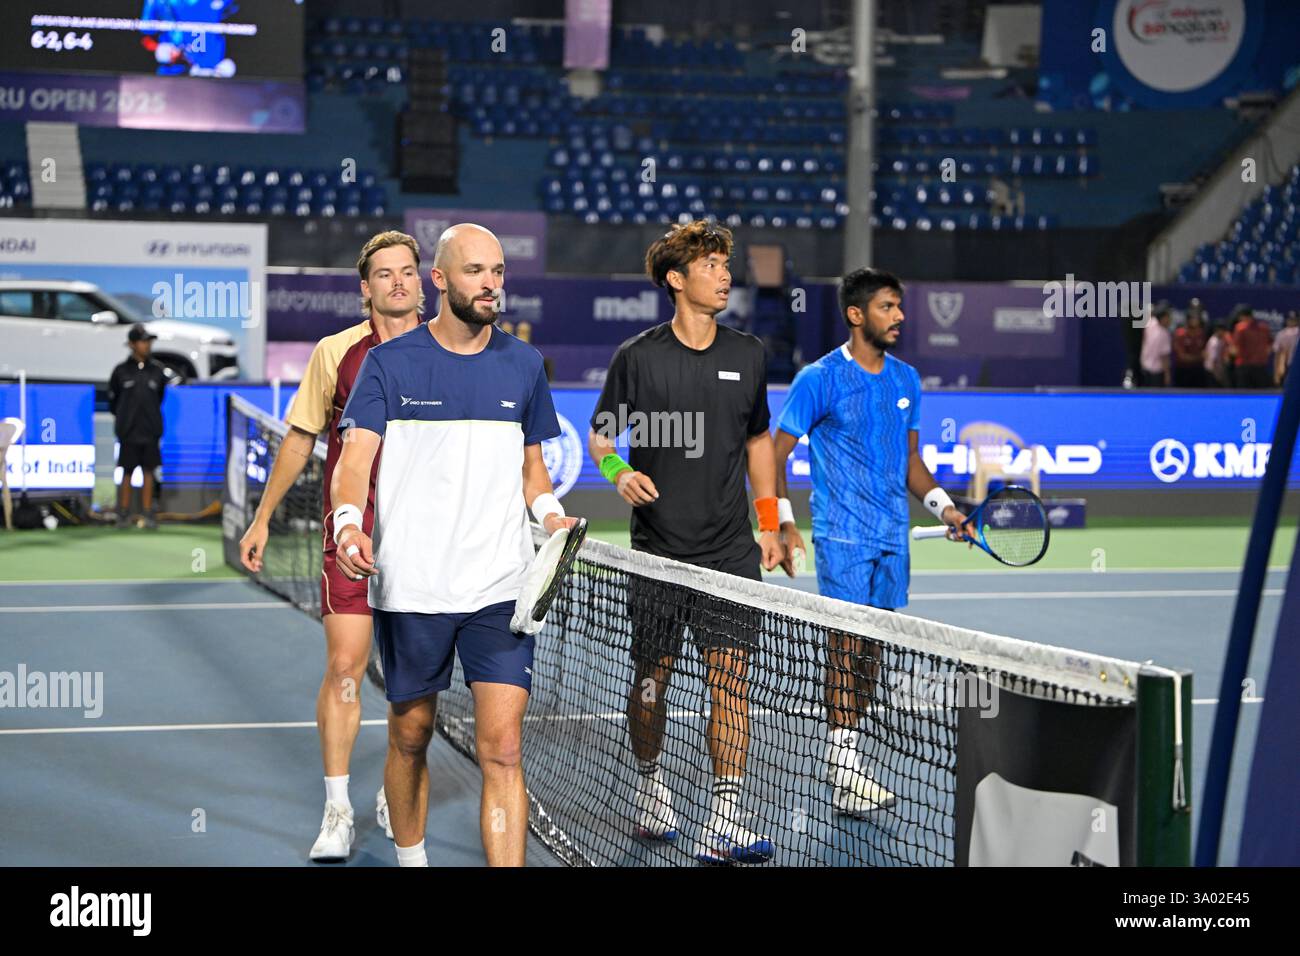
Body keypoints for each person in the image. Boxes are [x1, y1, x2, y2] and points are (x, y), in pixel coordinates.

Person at [332, 223, 575, 868]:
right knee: (411, 738)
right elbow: (354, 461)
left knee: (502, 750)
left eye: (498, 271)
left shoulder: (525, 365)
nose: (491, 284)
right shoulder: (389, 363)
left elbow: (533, 471)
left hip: (500, 588)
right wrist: (348, 522)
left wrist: (552, 517)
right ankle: (413, 861)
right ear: (438, 280)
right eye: (475, 271)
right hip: (413, 587)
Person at [588, 219, 783, 864]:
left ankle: (727, 806)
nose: (726, 274)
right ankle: (650, 782)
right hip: (659, 552)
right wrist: (621, 475)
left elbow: (758, 442)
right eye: (711, 264)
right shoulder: (636, 358)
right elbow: (603, 440)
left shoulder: (749, 354)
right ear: (677, 279)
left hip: (730, 552)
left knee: (731, 681)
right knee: (652, 679)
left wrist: (772, 521)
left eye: (727, 264)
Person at [238, 230, 425, 861]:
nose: (398, 282)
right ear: (365, 287)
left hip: (429, 542)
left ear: (423, 280)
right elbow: (300, 440)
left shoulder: (453, 349)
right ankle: (338, 808)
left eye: (407, 271)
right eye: (384, 274)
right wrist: (263, 518)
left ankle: (395, 786)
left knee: (412, 683)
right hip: (349, 536)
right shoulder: (336, 353)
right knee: (346, 668)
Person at [772, 268, 971, 819]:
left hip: (892, 536)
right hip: (841, 535)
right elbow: (772, 452)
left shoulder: (906, 380)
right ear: (857, 315)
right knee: (846, 648)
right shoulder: (819, 378)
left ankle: (848, 755)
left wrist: (946, 508)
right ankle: (842, 768)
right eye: (888, 307)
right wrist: (783, 522)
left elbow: (911, 462)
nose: (900, 316)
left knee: (872, 652)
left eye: (899, 306)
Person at [108, 324, 166, 529]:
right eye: (143, 341)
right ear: (132, 344)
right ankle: (123, 513)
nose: (147, 345)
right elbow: (113, 402)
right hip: (128, 432)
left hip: (150, 432)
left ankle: (148, 513)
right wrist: (125, 420)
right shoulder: (120, 371)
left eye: (149, 341)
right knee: (127, 471)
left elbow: (159, 397)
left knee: (149, 471)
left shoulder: (158, 372)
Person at [1230, 305, 1273, 389]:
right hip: (1260, 366)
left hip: (1244, 366)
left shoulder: (1240, 328)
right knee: (1261, 393)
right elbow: (1270, 345)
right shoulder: (1264, 328)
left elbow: (1235, 349)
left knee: (1243, 394)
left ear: (1242, 316)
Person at [1139, 303, 1173, 387]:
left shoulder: (1150, 324)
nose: (1170, 320)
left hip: (1145, 367)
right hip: (1157, 373)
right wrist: (1167, 375)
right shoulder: (1164, 334)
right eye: (1168, 317)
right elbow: (1164, 357)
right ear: (1163, 318)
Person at [1172, 310, 1207, 388]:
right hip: (1183, 371)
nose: (1196, 321)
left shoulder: (1201, 333)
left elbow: (1205, 353)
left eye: (1197, 319)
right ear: (1188, 320)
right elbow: (1182, 356)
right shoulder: (1180, 334)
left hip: (1198, 370)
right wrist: (1199, 357)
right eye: (1193, 319)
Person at [1274, 311, 1299, 386]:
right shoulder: (1282, 334)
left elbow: (1279, 354)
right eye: (1291, 320)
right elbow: (1279, 354)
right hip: (1288, 366)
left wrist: (1277, 373)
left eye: (1295, 320)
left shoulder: (1282, 333)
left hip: (1289, 366)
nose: (1292, 322)